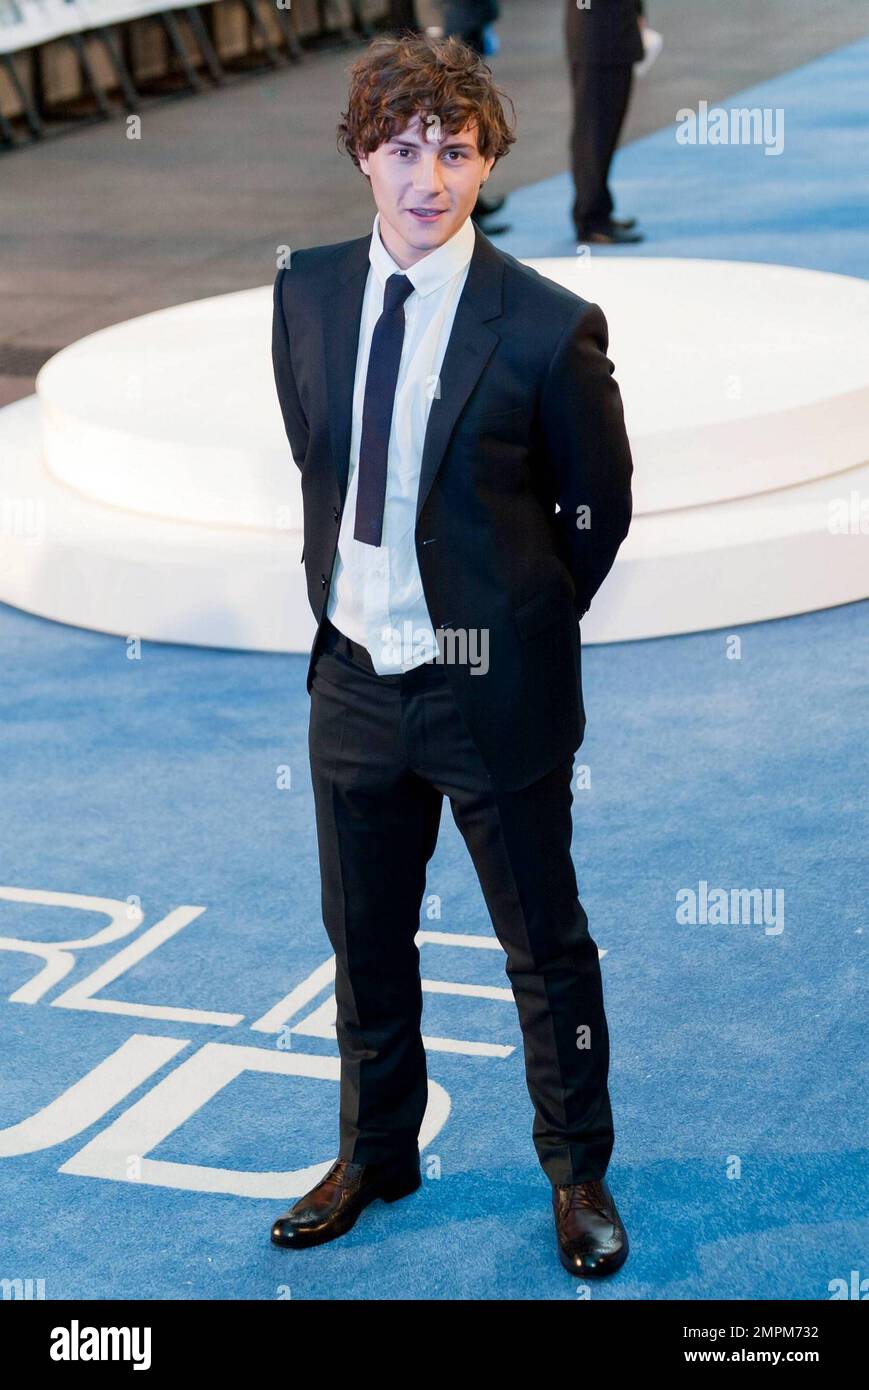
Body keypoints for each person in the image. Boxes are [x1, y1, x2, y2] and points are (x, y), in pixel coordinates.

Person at [270, 31, 634, 1278]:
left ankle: (575, 1171)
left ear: (487, 160)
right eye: (404, 149)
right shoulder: (305, 292)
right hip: (352, 681)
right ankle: (376, 1151)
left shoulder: (545, 327)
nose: (430, 179)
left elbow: (595, 510)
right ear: (362, 155)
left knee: (542, 943)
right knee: (363, 937)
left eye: (458, 151)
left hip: (492, 691)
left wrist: (514, 621)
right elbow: (315, 455)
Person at [566, 0, 646, 244]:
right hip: (597, 36)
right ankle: (591, 217)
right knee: (593, 133)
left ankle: (598, 208)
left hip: (613, 31)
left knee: (603, 131)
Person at [440, 0, 509, 231]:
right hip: (461, 23)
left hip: (469, 20)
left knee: (471, 116)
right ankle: (466, 214)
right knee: (459, 121)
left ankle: (474, 204)